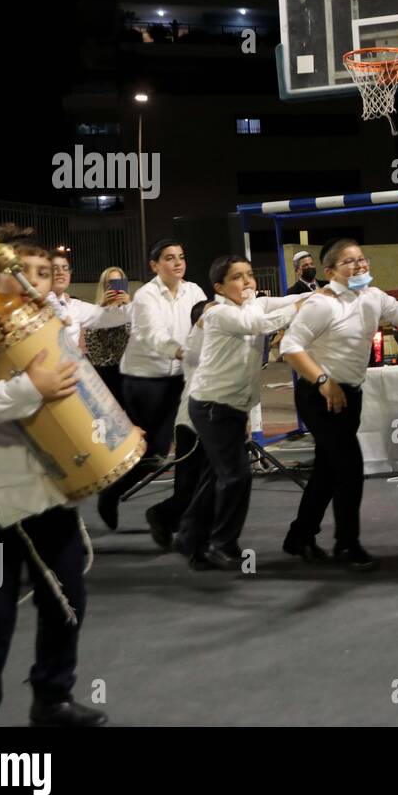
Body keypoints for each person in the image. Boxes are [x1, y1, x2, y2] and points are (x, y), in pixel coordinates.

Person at [0, 223, 106, 727]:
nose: (37, 282)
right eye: (22, 272)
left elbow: (83, 392)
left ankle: (52, 699)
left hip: (49, 491)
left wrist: (114, 429)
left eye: (42, 273)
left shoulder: (52, 329)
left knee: (67, 603)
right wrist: (30, 388)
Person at [279, 239, 398, 569]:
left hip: (350, 394)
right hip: (320, 396)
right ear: (330, 272)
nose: (360, 266)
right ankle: (347, 545)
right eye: (350, 262)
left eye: (363, 259)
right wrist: (323, 382)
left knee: (327, 470)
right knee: (348, 468)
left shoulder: (373, 297)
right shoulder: (321, 304)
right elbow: (290, 347)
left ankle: (299, 536)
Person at [175, 256, 305, 570]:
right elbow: (258, 325)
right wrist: (298, 309)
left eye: (249, 275)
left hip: (229, 406)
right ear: (218, 287)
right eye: (237, 277)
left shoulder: (253, 306)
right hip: (211, 405)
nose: (247, 282)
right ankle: (222, 544)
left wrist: (319, 295)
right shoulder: (217, 313)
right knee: (236, 476)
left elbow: (284, 300)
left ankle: (191, 538)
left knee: (217, 475)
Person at [97, 239, 206, 530]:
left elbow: (208, 322)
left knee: (189, 445)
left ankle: (174, 514)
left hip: (181, 378)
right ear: (155, 265)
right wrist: (182, 351)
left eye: (181, 257)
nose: (178, 263)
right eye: (169, 258)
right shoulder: (146, 296)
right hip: (145, 381)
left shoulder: (194, 291)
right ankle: (111, 491)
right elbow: (153, 336)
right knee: (153, 453)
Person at [144, 298, 213, 550]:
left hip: (207, 422)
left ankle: (191, 529)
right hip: (191, 424)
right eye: (211, 314)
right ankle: (162, 515)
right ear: (198, 323)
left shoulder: (216, 342)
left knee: (204, 485)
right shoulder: (197, 343)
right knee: (189, 488)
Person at [46, 250, 131, 355]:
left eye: (65, 268)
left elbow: (110, 317)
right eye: (55, 268)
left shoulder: (75, 306)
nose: (61, 272)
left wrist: (130, 304)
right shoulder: (32, 303)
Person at [85, 266, 133, 401]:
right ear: (104, 287)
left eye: (119, 282)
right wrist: (104, 307)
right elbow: (91, 343)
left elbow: (140, 336)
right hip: (104, 372)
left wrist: (129, 305)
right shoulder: (95, 310)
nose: (115, 287)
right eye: (111, 283)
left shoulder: (130, 309)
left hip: (128, 371)